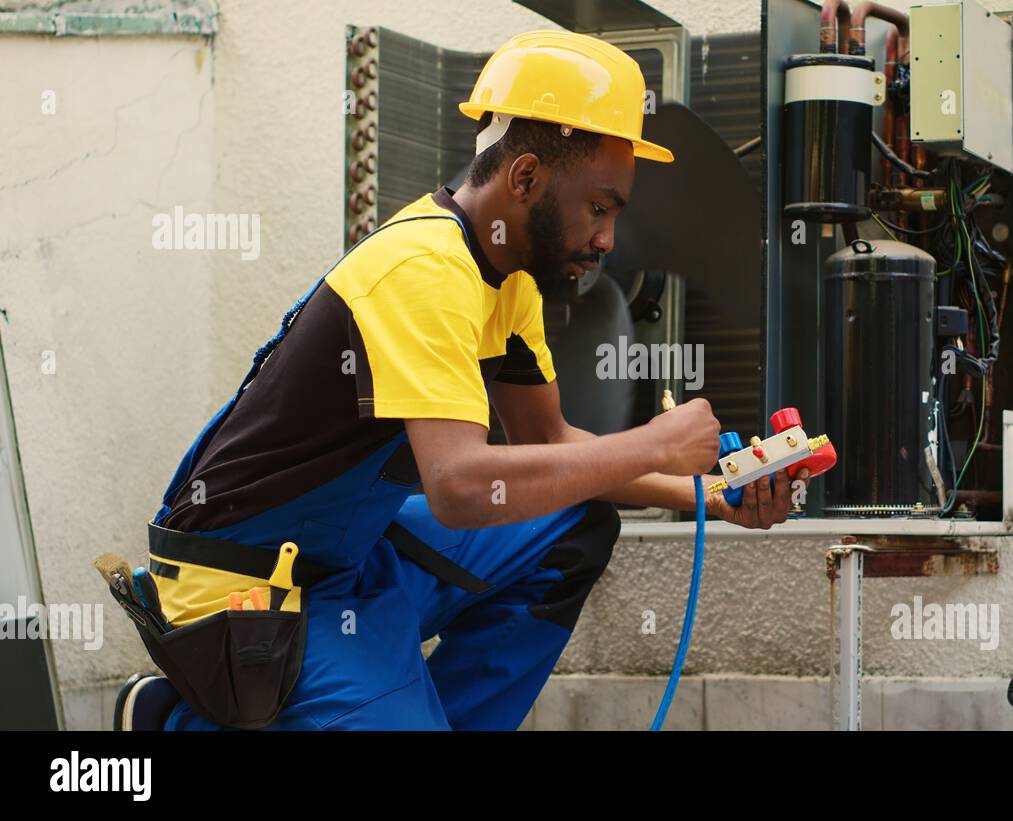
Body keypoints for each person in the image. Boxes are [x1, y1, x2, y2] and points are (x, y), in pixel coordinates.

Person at [149, 30, 804, 730]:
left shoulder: (509, 276)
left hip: (346, 552)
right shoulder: (423, 270)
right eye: (599, 207)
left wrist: (708, 494)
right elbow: (461, 488)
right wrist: (651, 445)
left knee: (575, 525)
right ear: (524, 179)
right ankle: (182, 718)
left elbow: (548, 440)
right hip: (245, 591)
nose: (608, 239)